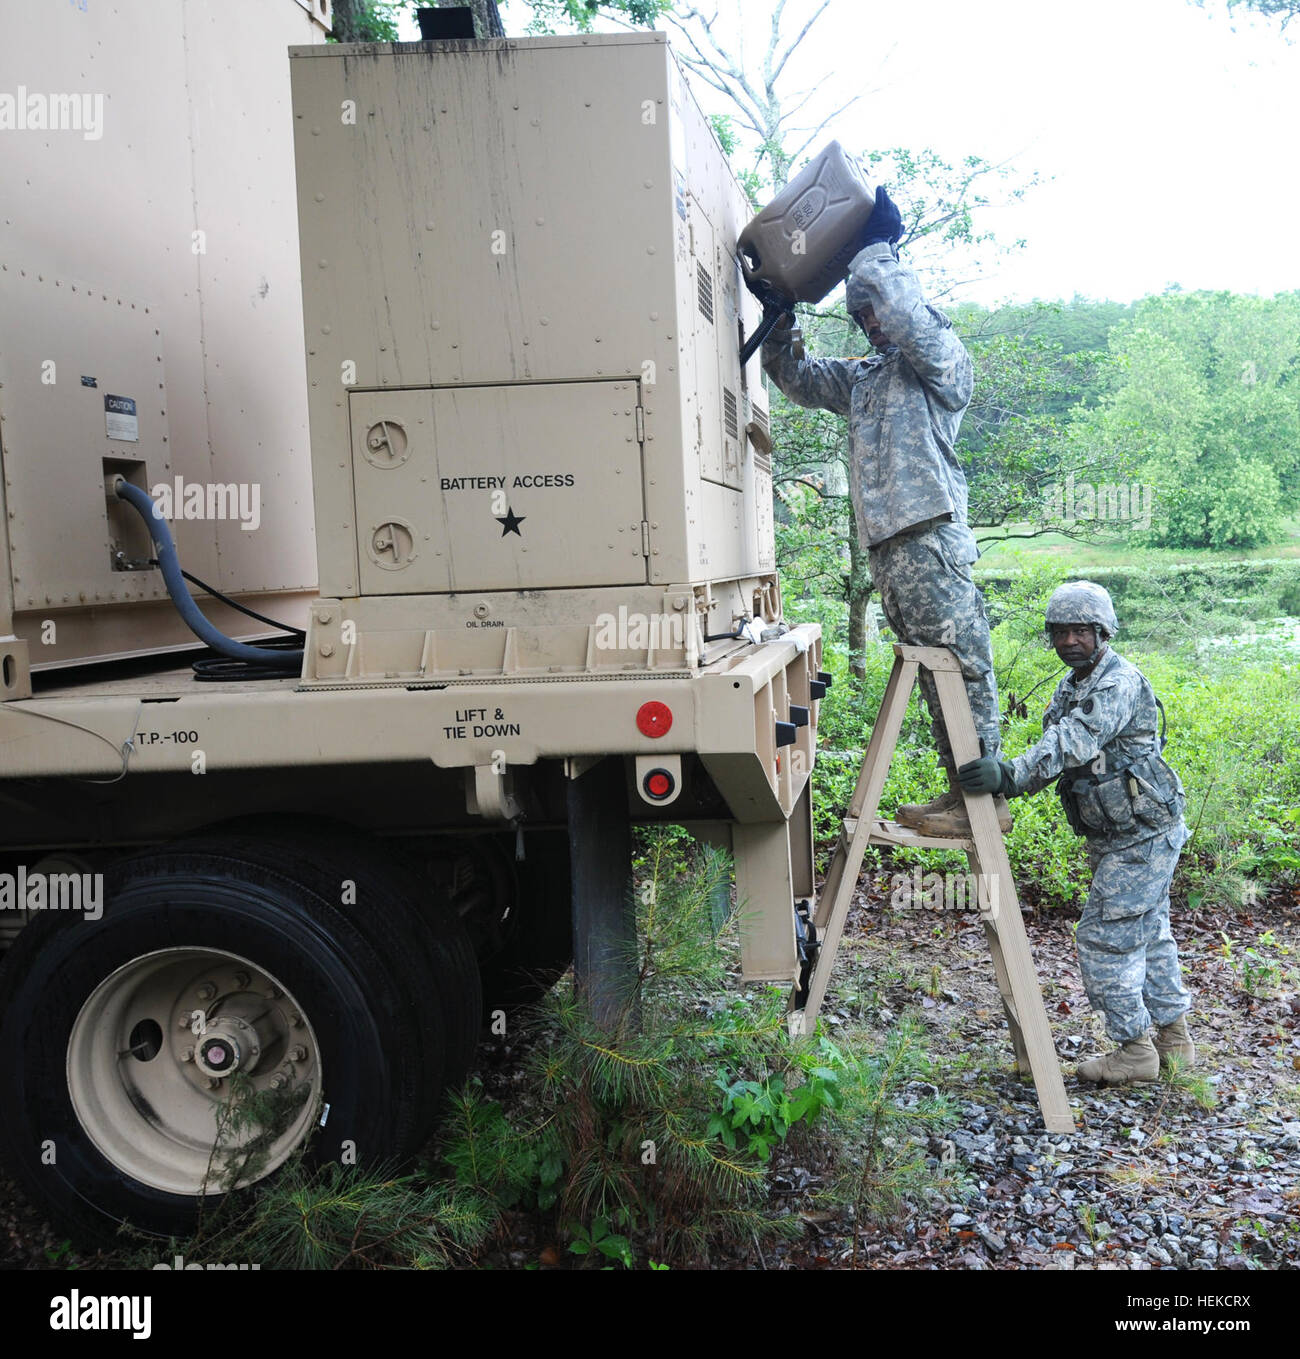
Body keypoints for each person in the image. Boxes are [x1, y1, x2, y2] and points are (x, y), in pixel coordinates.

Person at [760, 185, 1007, 837]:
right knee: (933, 674)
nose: (872, 320)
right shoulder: (866, 379)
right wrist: (780, 313)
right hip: (889, 551)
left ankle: (985, 798)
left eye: (875, 309)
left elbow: (904, 311)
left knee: (962, 658)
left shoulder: (939, 361)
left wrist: (875, 249)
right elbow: (794, 377)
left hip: (930, 536)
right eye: (861, 313)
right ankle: (961, 794)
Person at [957, 581, 1196, 1085]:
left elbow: (1073, 741)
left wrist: (1012, 774)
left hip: (1143, 836)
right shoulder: (1074, 683)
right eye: (1060, 631)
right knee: (1150, 934)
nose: (1070, 640)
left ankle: (1135, 1052)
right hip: (1123, 835)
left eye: (1081, 631)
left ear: (1103, 632)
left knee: (1103, 938)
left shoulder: (1115, 683)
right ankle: (1174, 1041)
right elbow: (1059, 740)